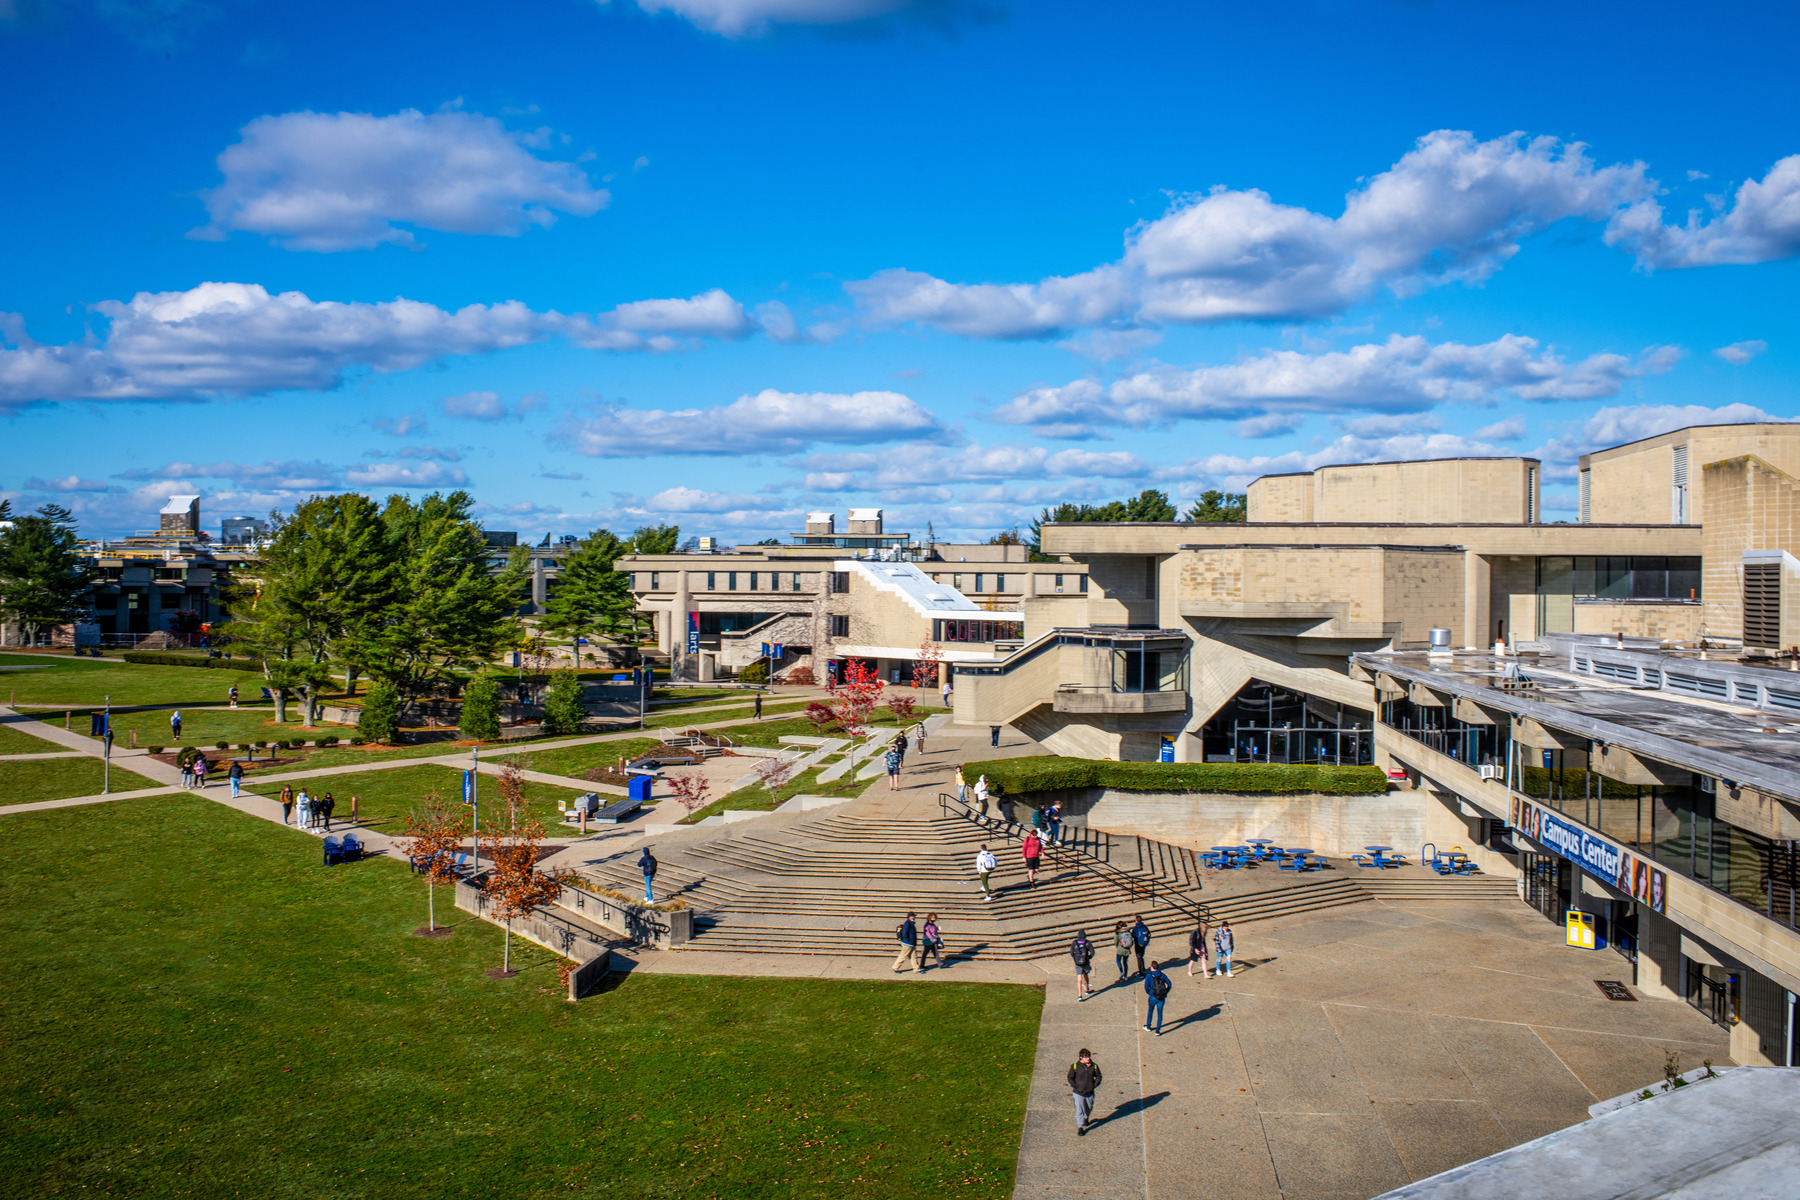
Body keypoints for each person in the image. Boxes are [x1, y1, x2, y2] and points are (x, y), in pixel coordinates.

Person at [1068, 1049, 1101, 1135]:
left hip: (1089, 1093)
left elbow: (1098, 1076)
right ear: (1081, 1057)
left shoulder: (1094, 1066)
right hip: (1078, 1093)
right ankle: (1080, 1127)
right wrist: (1075, 1085)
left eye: (1089, 1056)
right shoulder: (1075, 1066)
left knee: (1088, 1108)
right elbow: (1070, 1077)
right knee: (1079, 1110)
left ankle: (1086, 1118)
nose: (1088, 1058)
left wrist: (1094, 1085)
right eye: (1086, 1057)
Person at [1143, 961, 1172, 1035]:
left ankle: (1148, 1026)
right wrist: (1166, 991)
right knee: (1160, 1013)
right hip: (1161, 997)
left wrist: (1149, 992)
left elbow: (1146, 987)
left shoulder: (1149, 976)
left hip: (1153, 996)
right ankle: (1158, 1030)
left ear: (1151, 967)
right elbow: (1169, 984)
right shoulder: (1162, 975)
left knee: (1150, 1010)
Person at [1069, 930, 1095, 1001]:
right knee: (1086, 975)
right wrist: (1088, 958)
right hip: (1086, 962)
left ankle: (1080, 995)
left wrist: (1075, 959)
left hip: (1078, 963)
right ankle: (1086, 989)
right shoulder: (1088, 942)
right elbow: (1092, 952)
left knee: (1079, 978)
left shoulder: (1075, 942)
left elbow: (1071, 952)